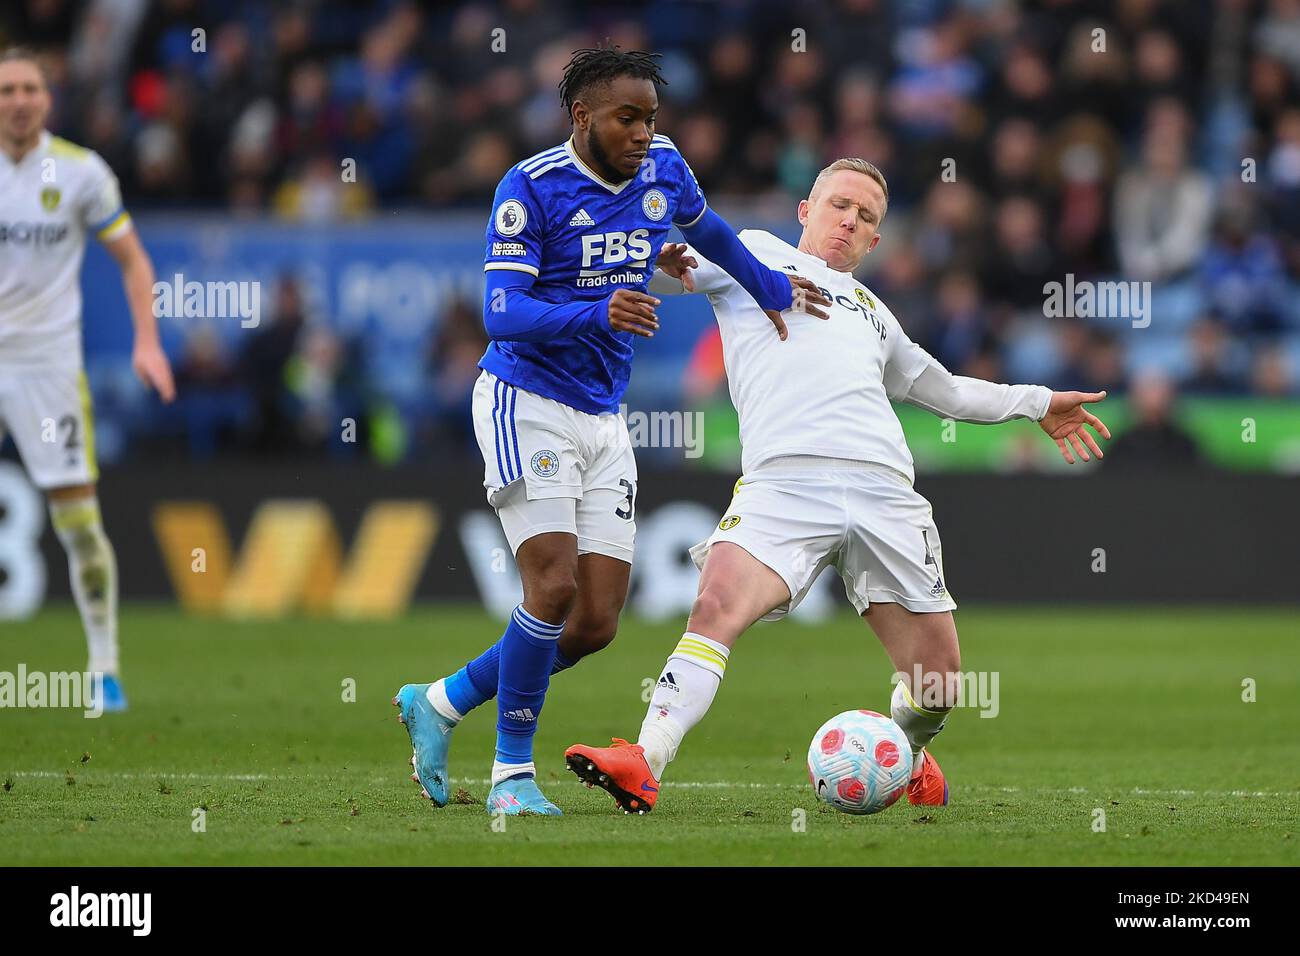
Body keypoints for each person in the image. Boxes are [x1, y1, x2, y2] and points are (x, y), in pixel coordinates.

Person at [566, 157, 1111, 813]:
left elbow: (946, 390)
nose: (849, 221)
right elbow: (664, 261)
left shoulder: (876, 314)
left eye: (866, 217)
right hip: (783, 483)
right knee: (715, 607)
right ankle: (644, 758)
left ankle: (907, 751)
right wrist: (639, 251)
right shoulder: (752, 256)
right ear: (806, 210)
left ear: (876, 241)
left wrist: (1039, 400)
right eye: (839, 205)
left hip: (885, 490)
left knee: (938, 686)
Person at [392, 47, 829, 816]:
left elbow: (714, 231)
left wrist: (770, 289)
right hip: (523, 399)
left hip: (602, 411)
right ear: (581, 116)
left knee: (595, 623)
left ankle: (440, 702)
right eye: (627, 118)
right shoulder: (530, 187)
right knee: (552, 586)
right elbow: (501, 313)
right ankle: (510, 778)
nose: (642, 133)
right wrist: (597, 310)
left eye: (651, 118)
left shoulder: (663, 165)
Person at [0, 48, 175, 711]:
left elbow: (133, 262)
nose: (19, 99)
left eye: (30, 89)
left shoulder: (80, 172)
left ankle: (103, 667)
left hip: (47, 365)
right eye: (8, 89)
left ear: (48, 98)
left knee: (76, 523)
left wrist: (149, 342)